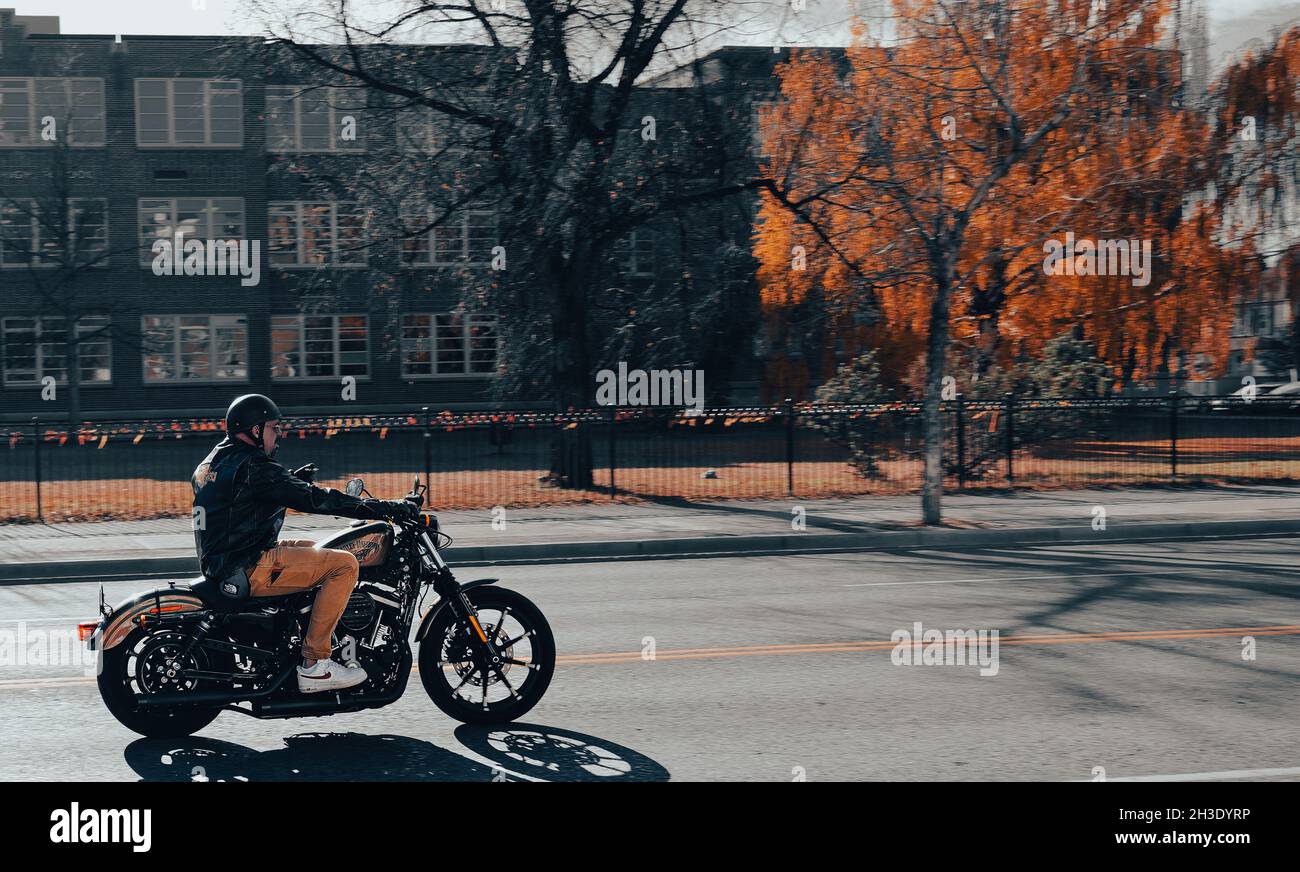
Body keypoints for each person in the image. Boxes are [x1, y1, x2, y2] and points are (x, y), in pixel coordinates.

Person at [191, 394, 418, 693]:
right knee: (345, 564)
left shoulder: (214, 461)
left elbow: (239, 504)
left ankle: (305, 630)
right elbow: (317, 499)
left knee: (320, 550)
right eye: (274, 427)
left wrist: (289, 482)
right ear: (255, 430)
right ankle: (314, 664)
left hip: (229, 559)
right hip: (246, 565)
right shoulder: (254, 467)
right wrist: (386, 507)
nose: (279, 435)